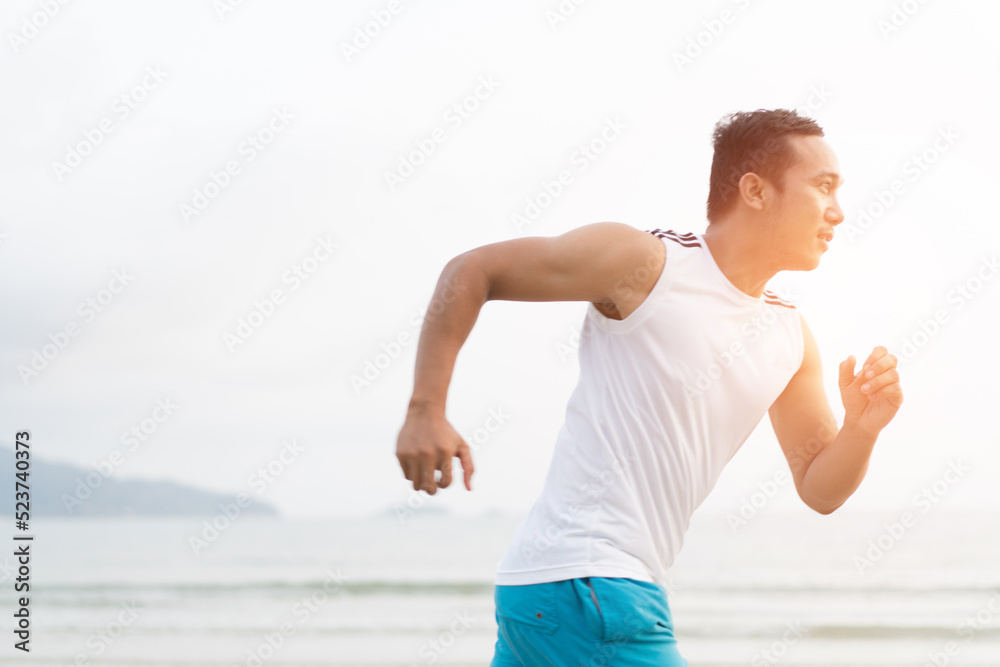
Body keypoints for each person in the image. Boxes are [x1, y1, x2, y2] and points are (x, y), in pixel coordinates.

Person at [395, 108, 904, 666]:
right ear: (755, 191)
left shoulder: (789, 335)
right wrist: (426, 408)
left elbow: (818, 487)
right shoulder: (645, 265)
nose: (839, 211)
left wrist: (861, 429)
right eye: (823, 187)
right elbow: (472, 271)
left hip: (559, 589)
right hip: (592, 584)